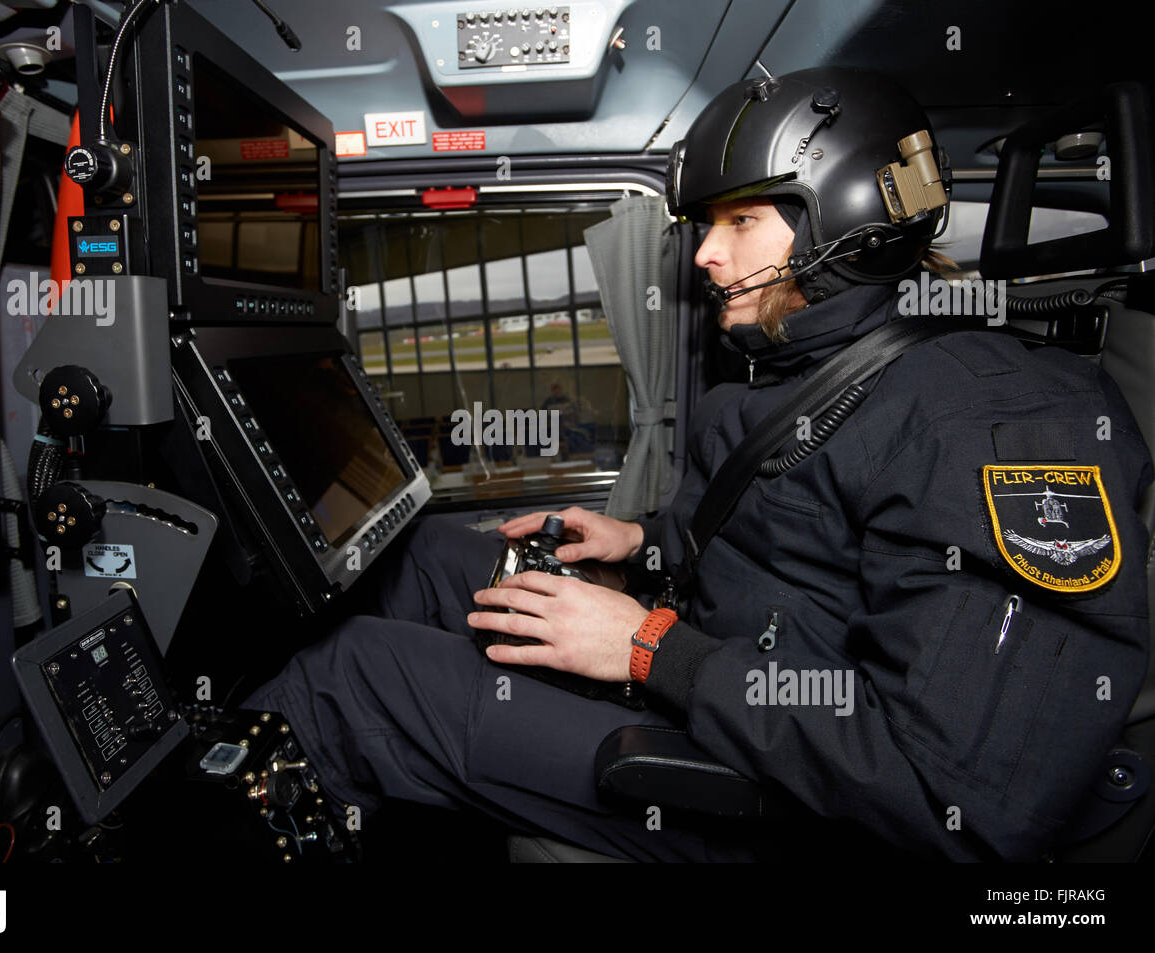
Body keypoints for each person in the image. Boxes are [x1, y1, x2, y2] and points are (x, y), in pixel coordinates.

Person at [245, 67, 1152, 861]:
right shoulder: (799, 363)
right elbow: (786, 549)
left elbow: (956, 799)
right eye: (705, 223)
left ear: (841, 217)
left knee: (354, 677)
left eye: (740, 219)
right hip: (724, 683)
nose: (708, 254)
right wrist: (640, 545)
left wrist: (649, 649)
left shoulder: (1002, 424)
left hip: (781, 799)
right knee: (432, 556)